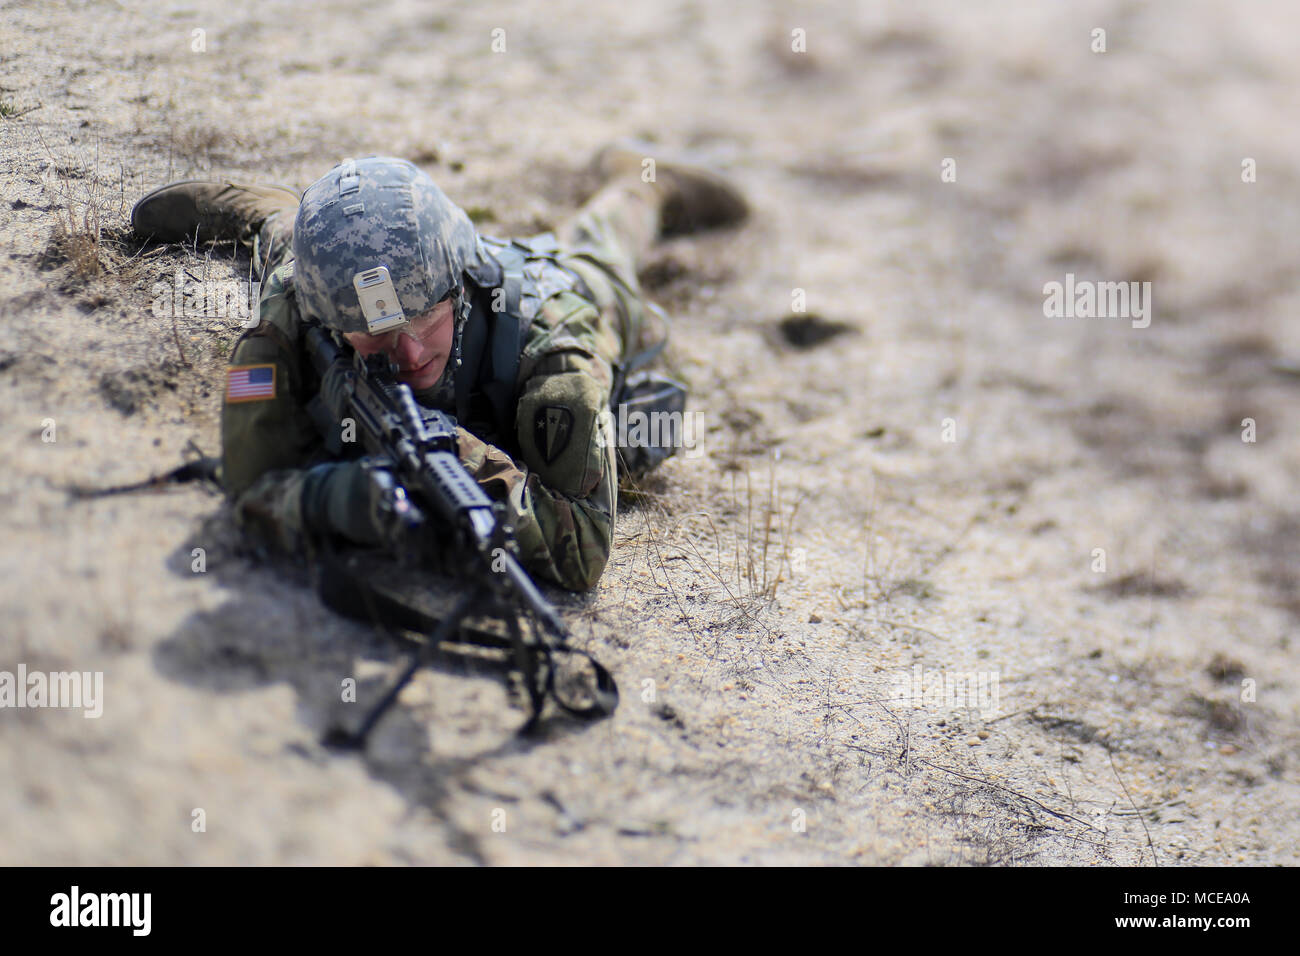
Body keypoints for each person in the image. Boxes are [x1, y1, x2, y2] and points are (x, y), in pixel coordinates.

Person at [130, 146, 747, 591]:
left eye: (425, 322)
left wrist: (460, 454)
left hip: (575, 284)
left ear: (460, 289)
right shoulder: (309, 299)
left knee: (598, 247)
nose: (409, 354)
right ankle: (274, 207)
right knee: (284, 240)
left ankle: (643, 181)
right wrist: (340, 500)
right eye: (373, 337)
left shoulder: (557, 351)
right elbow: (250, 491)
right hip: (337, 267)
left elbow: (584, 551)